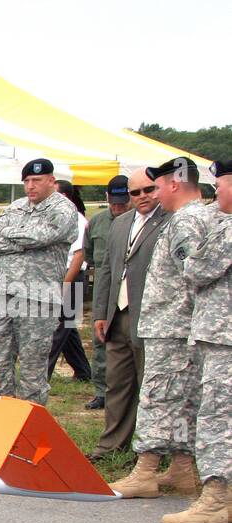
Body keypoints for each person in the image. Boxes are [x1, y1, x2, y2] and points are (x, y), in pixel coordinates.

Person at [111, 157, 207, 499]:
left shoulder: (186, 220)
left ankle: (145, 470)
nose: (154, 194)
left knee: (156, 397)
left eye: (157, 186)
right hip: (178, 325)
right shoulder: (198, 217)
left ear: (174, 184)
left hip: (172, 326)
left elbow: (195, 274)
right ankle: (182, 468)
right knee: (181, 399)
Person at [164, 159, 232, 523]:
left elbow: (195, 269)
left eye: (219, 184)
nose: (215, 192)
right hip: (220, 333)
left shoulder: (228, 229)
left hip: (224, 336)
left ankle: (214, 499)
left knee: (217, 417)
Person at [0, 158, 79, 405]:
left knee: (32, 363)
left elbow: (43, 236)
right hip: (5, 293)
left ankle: (31, 420)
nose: (30, 186)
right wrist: (24, 242)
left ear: (51, 181)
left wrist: (11, 237)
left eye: (36, 180)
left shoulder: (63, 209)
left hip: (38, 296)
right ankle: (2, 413)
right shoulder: (16, 206)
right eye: (26, 181)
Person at [88, 168, 168, 461]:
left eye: (148, 190)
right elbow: (107, 268)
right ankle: (111, 446)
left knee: (151, 385)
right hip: (117, 314)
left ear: (159, 189)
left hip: (151, 316)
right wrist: (100, 312)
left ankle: (151, 450)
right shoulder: (121, 223)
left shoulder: (169, 221)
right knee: (117, 383)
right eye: (136, 193)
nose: (142, 197)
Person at [81, 175, 132, 410]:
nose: (118, 207)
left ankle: (130, 392)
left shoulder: (139, 221)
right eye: (114, 202)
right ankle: (101, 390)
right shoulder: (97, 222)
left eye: (123, 202)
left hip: (132, 288)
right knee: (101, 339)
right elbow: (89, 255)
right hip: (105, 287)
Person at [45, 180, 93, 384]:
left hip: (71, 277)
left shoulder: (77, 220)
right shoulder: (55, 218)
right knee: (68, 328)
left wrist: (65, 283)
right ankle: (83, 371)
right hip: (55, 276)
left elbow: (79, 256)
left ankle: (41, 373)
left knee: (58, 327)